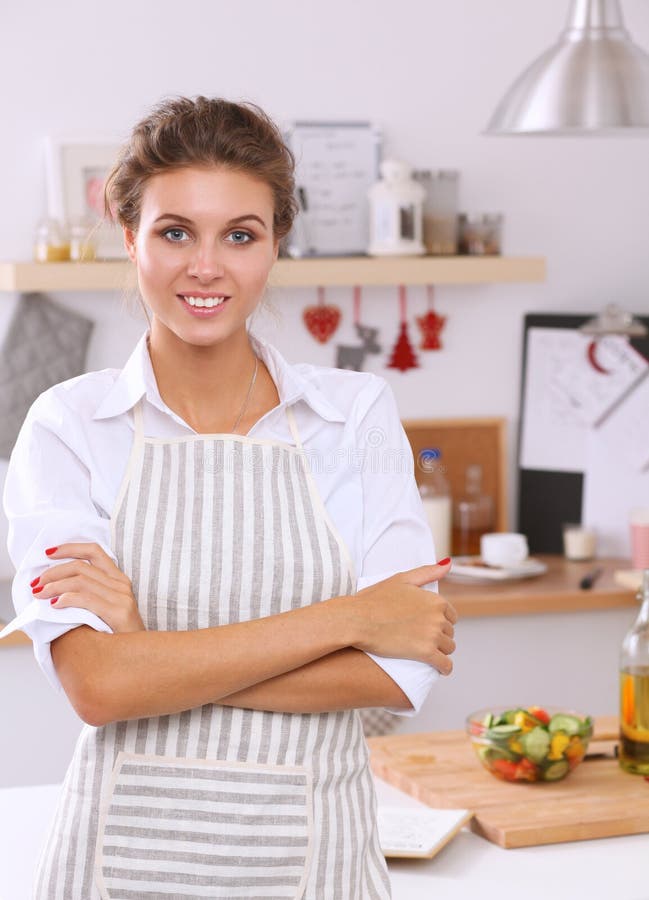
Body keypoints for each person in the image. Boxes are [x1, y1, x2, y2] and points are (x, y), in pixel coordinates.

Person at [0, 96, 457, 899]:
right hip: (119, 861)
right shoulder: (68, 425)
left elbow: (398, 674)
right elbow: (98, 689)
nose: (204, 266)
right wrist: (348, 621)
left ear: (277, 242)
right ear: (128, 233)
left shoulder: (353, 415)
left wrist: (149, 650)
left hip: (317, 862)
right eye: (174, 231)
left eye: (238, 235)